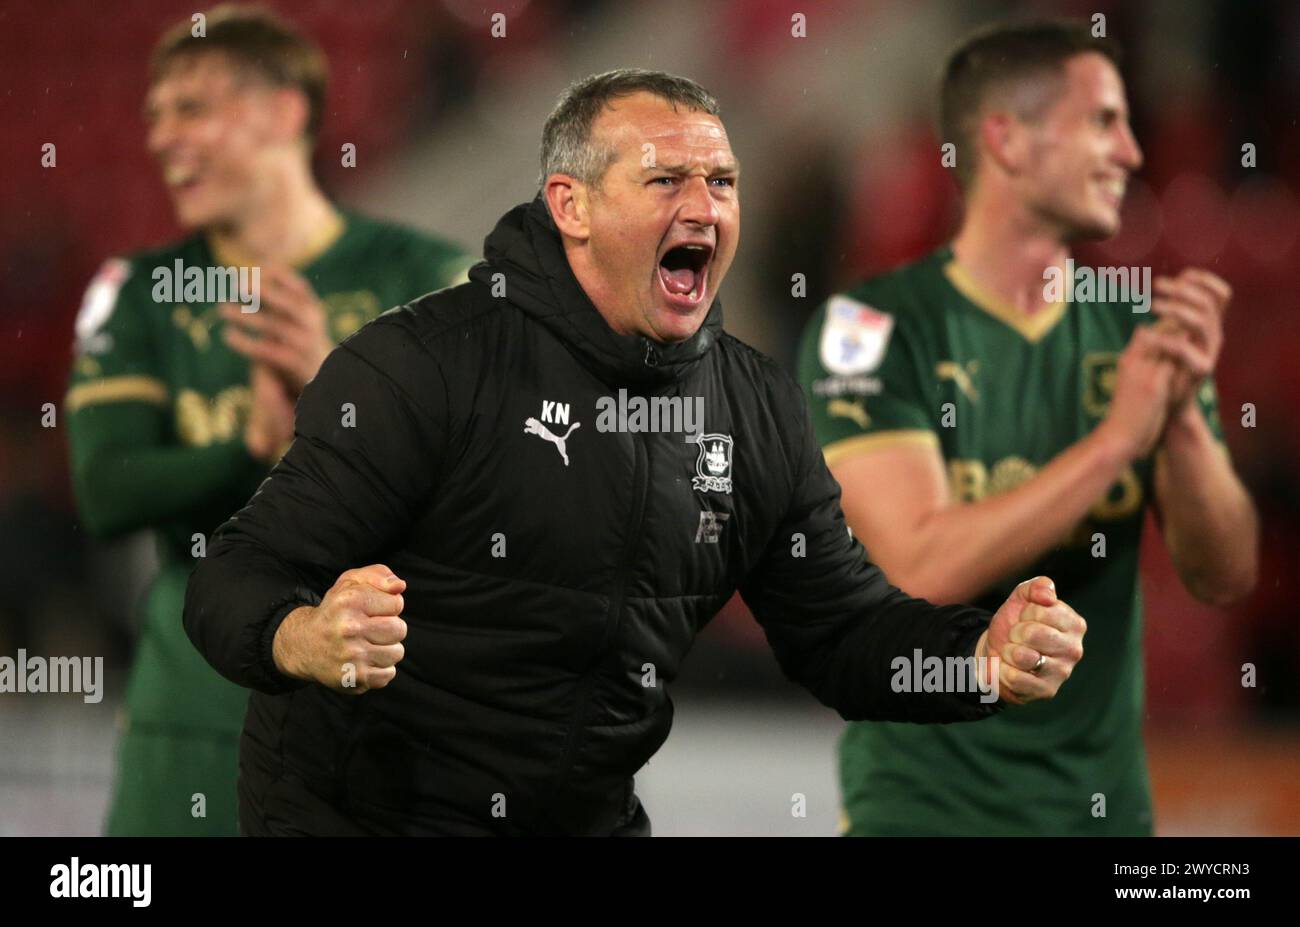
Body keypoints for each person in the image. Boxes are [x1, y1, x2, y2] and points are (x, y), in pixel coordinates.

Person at [184, 68, 1087, 837]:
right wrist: (305, 636)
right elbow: (234, 576)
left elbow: (841, 633)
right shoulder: (420, 367)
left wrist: (977, 660)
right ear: (569, 206)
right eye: (666, 181)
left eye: (723, 182)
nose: (704, 206)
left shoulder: (756, 408)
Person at [797, 20, 1258, 836]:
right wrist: (1115, 441)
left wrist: (1180, 415)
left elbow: (1224, 574)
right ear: (1006, 140)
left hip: (1105, 820)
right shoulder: (866, 326)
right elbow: (917, 567)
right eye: (1101, 122)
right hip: (919, 815)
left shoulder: (1138, 327)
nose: (1132, 153)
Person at [65, 5, 468, 836]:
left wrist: (337, 400)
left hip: (373, 721)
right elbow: (106, 491)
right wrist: (245, 448)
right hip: (188, 717)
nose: (163, 138)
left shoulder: (426, 275)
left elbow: (481, 481)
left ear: (286, 111)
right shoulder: (139, 290)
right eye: (154, 115)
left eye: (193, 108)